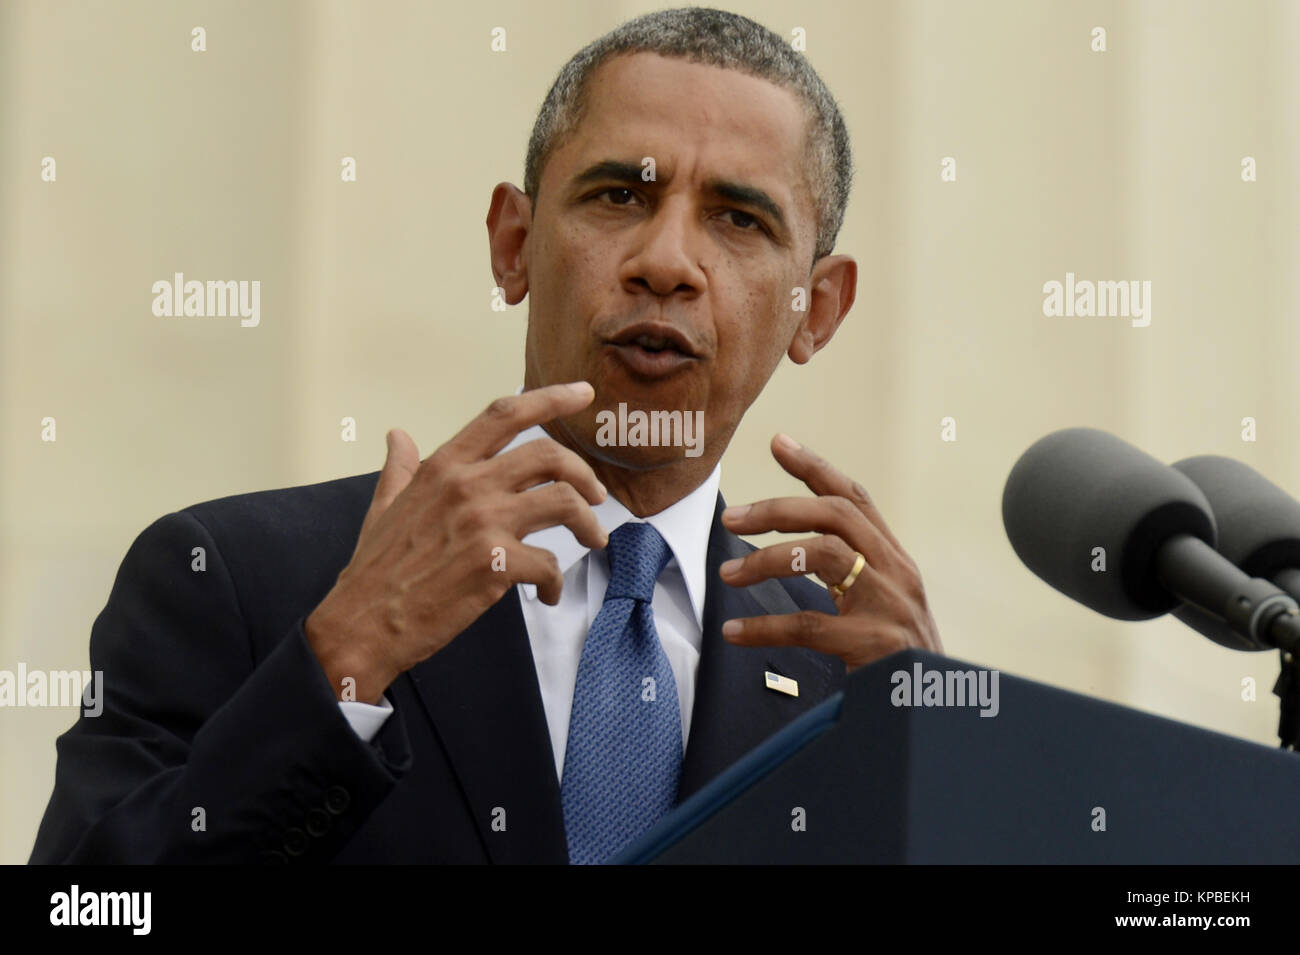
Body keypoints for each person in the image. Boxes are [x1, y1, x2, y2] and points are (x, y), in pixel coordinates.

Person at [30, 6, 942, 865]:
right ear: (513, 243)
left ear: (814, 308)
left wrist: (956, 763)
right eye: (620, 195)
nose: (666, 262)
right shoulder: (242, 582)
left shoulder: (844, 669)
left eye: (739, 219)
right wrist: (345, 662)